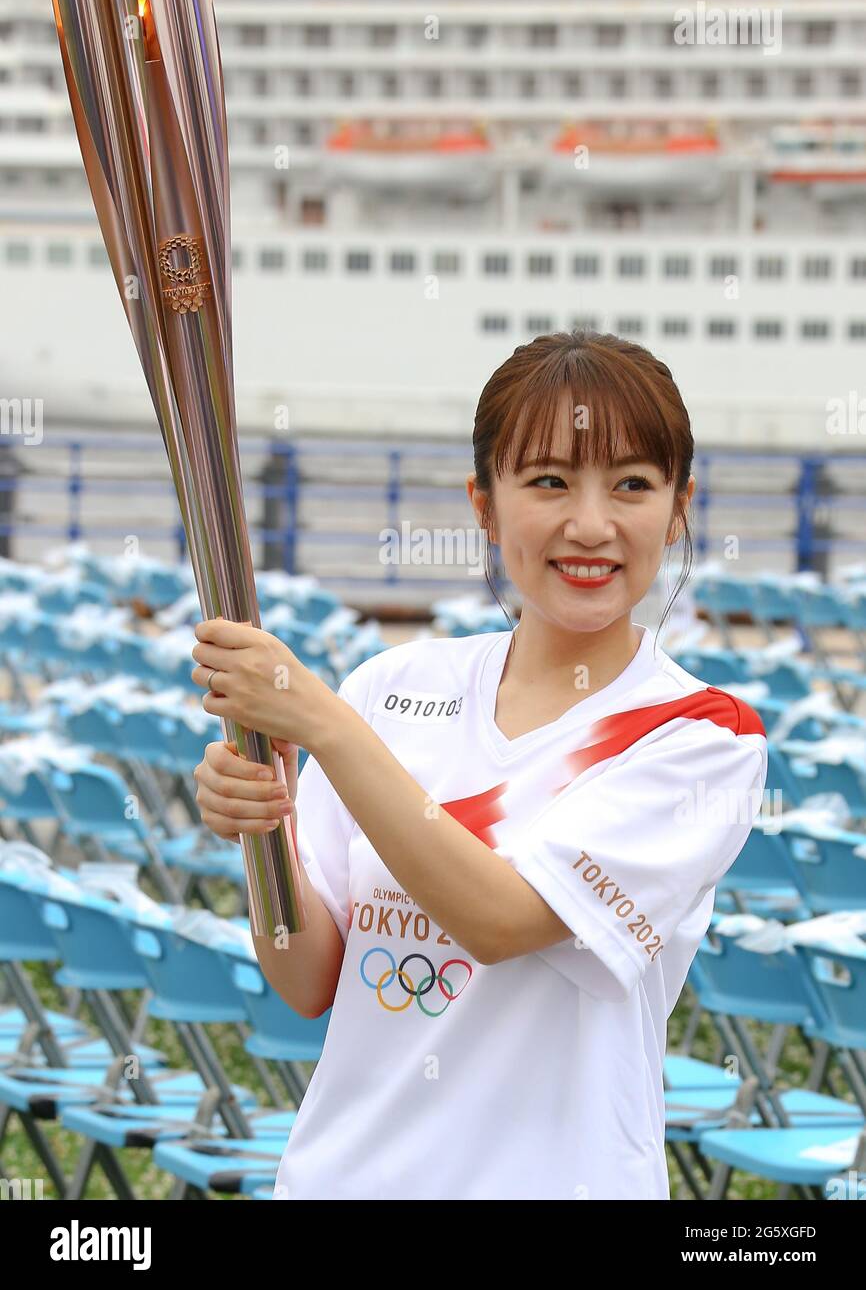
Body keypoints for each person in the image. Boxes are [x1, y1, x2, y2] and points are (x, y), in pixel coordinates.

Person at [190, 330, 768, 1200]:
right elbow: (305, 978)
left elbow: (498, 921)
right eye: (549, 482)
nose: (591, 525)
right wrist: (263, 823)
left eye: (632, 485)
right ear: (484, 506)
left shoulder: (702, 739)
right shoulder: (391, 687)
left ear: (679, 507)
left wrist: (328, 730)